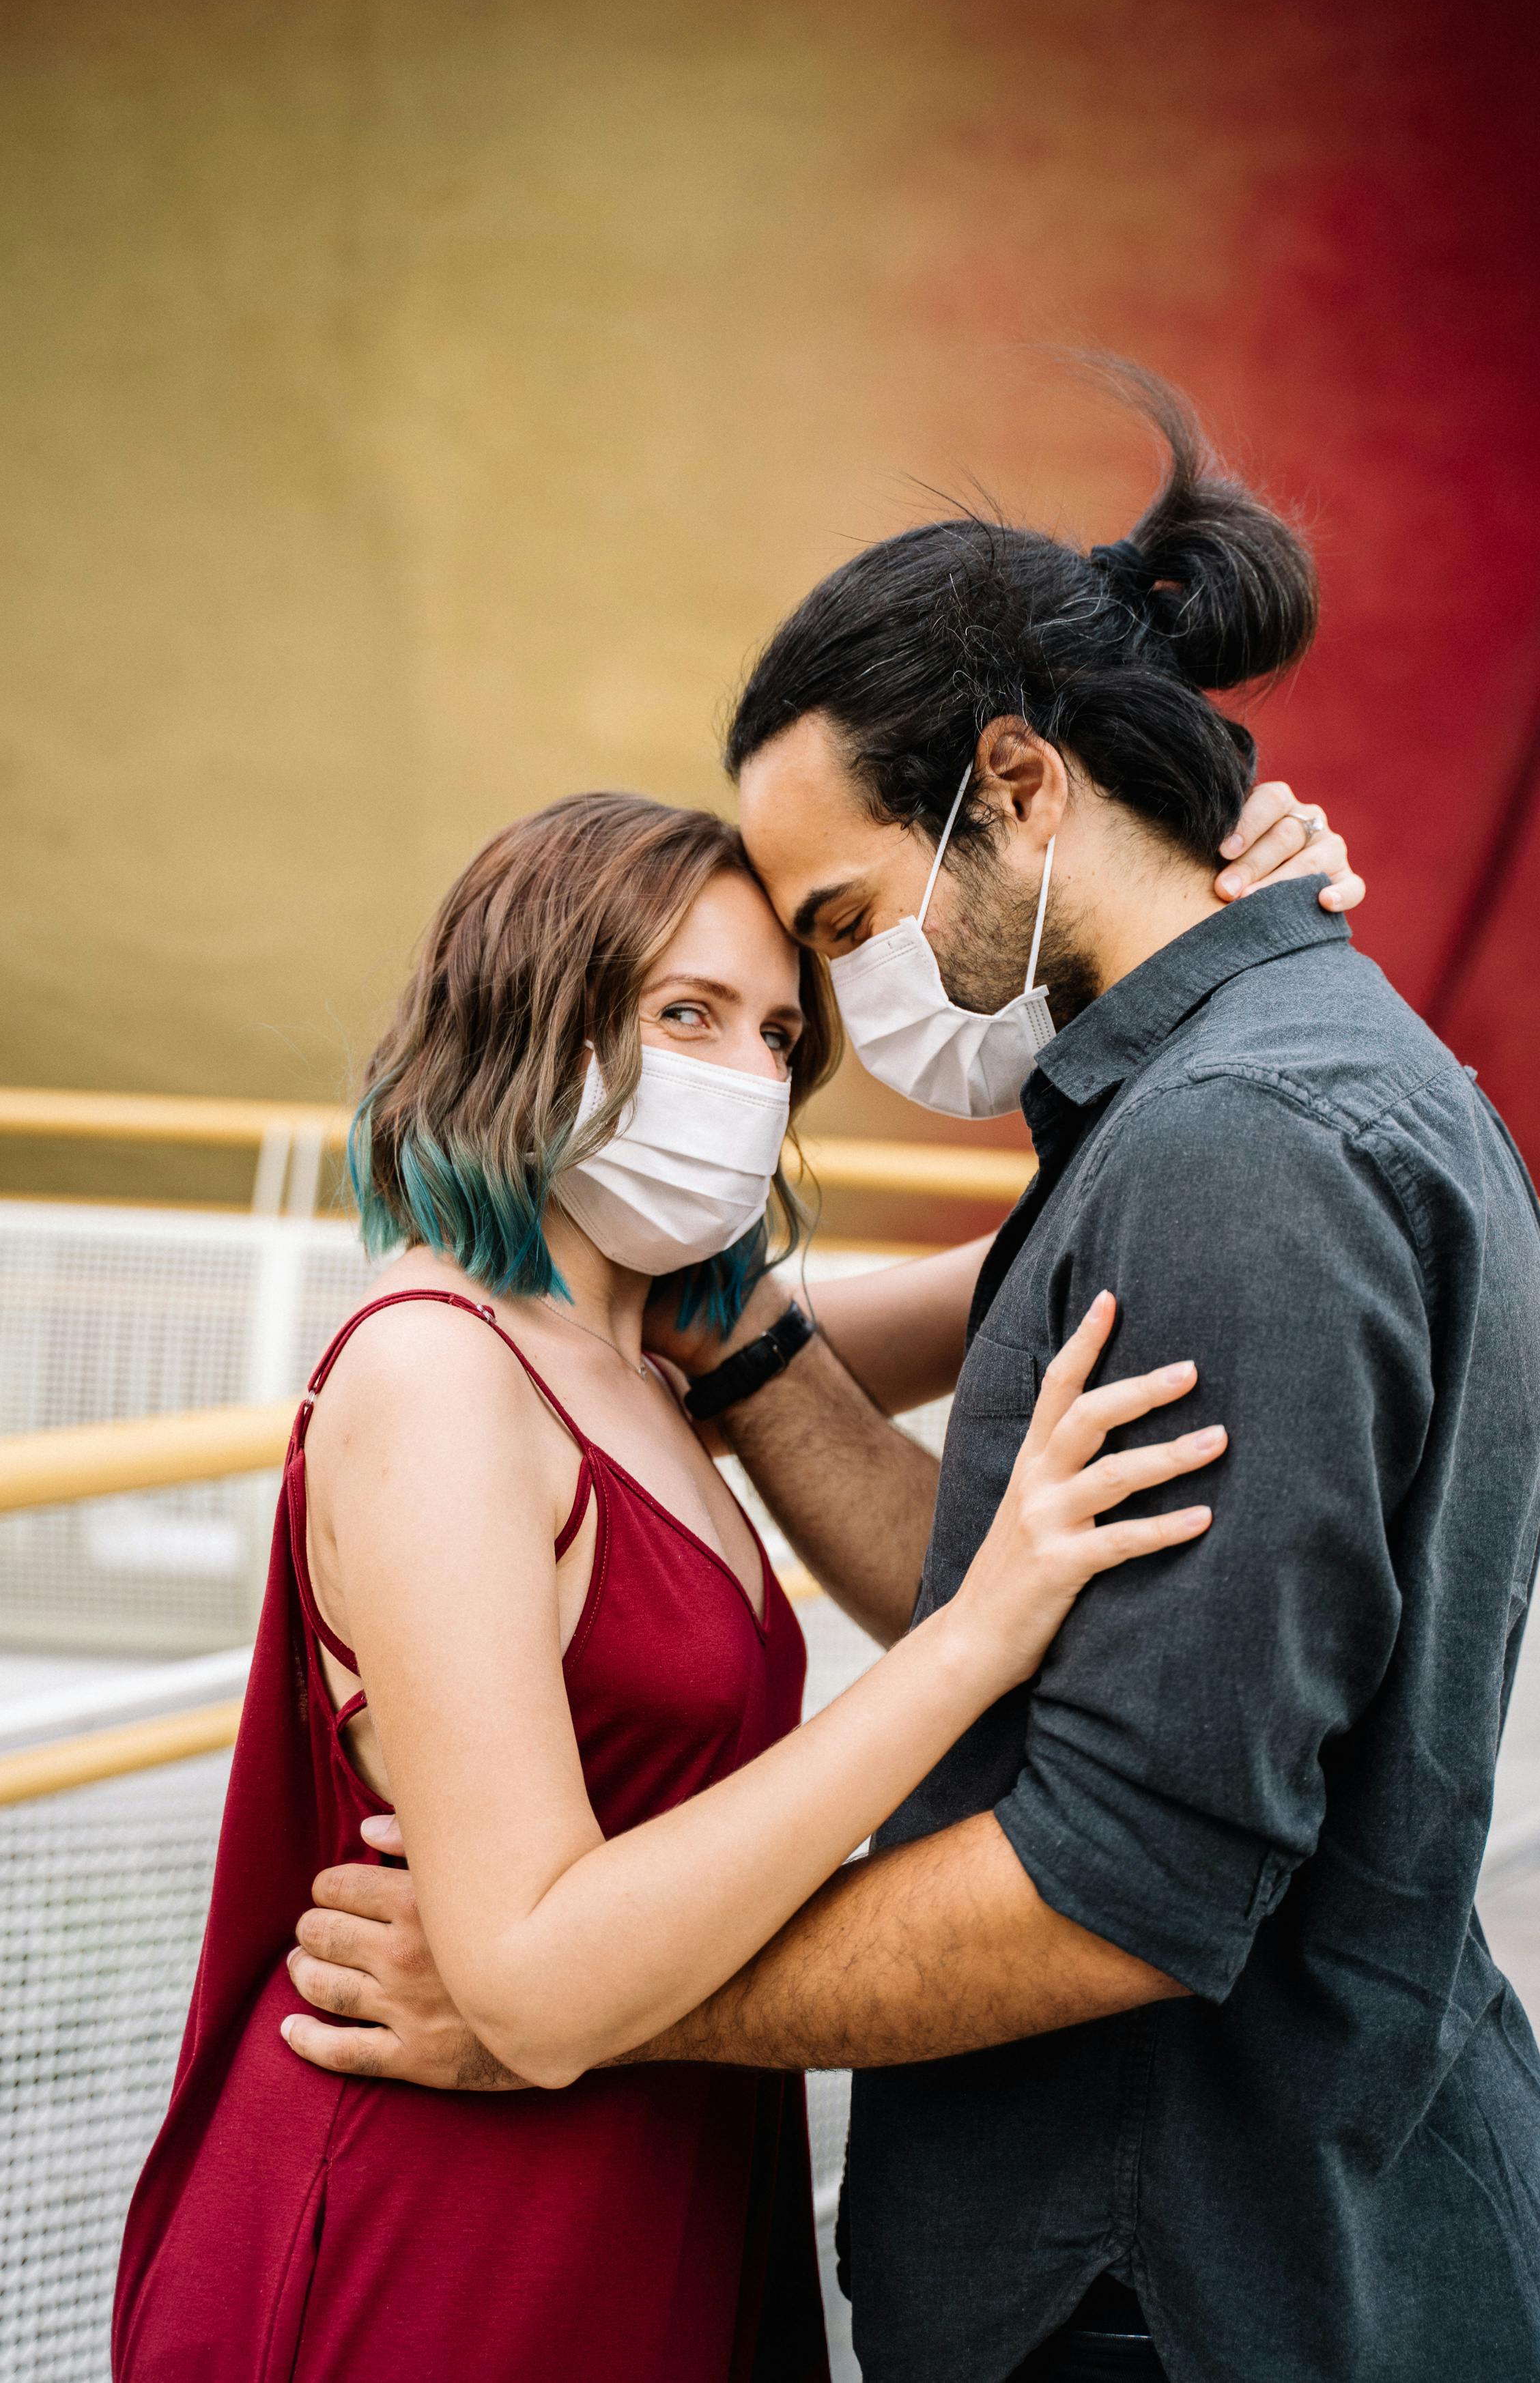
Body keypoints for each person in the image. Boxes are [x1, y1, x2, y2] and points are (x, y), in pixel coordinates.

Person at [285, 373, 1540, 2383]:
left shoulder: (1246, 1153)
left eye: (840, 929)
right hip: (1229, 2235)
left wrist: (574, 1996)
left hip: (1178, 2269)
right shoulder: (1208, 1111)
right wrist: (713, 1314)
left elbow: (1119, 1882)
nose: (834, 1027)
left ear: (1020, 783)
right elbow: (1039, 1609)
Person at [113, 789, 1243, 2383]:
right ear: (533, 1017)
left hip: (649, 2175)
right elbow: (536, 1973)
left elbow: (1061, 1264)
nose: (742, 1074)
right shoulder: (443, 1372)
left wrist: (1220, 935)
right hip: (444, 2219)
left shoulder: (650, 1350)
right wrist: (975, 1633)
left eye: (779, 1035)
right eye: (685, 1013)